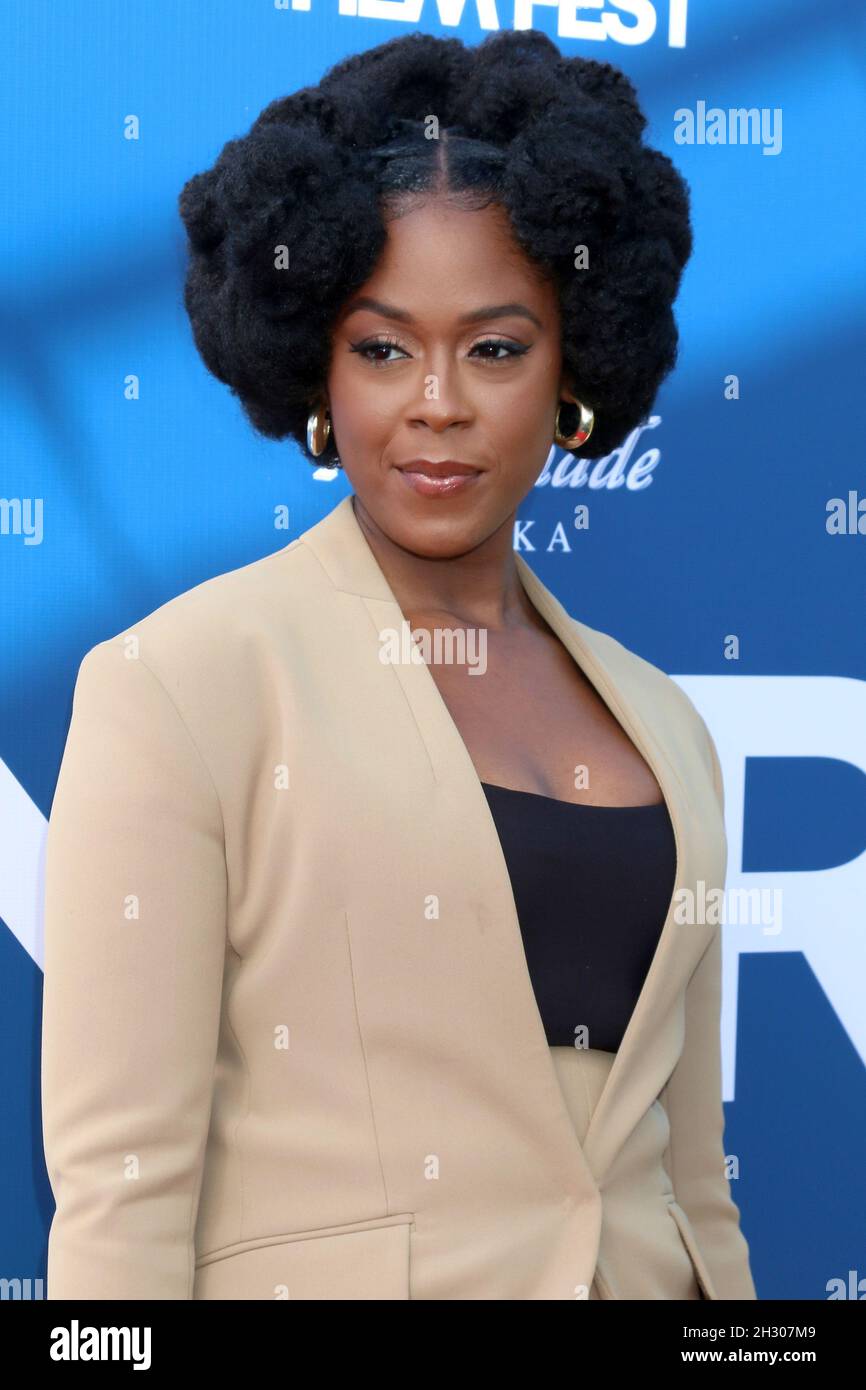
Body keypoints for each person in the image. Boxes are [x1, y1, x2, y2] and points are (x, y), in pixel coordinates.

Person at [41, 28, 756, 1300]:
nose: (436, 400)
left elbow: (686, 1181)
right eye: (381, 348)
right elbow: (119, 1203)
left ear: (571, 373)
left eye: (494, 346)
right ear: (313, 366)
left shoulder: (662, 724)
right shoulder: (182, 684)